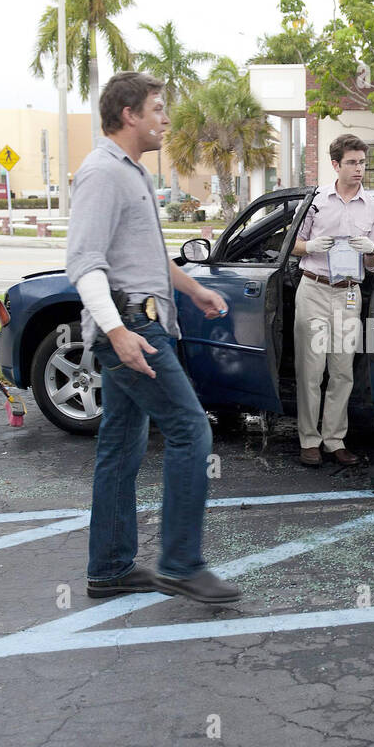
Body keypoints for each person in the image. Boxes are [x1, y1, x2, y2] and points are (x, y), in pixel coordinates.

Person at [67, 71, 239, 604]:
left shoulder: (133, 172)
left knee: (121, 444)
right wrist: (117, 333)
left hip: (147, 320)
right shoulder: (101, 172)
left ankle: (111, 568)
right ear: (129, 115)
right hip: (131, 329)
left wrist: (190, 290)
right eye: (157, 109)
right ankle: (181, 564)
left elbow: (145, 257)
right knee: (191, 431)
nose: (165, 119)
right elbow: (84, 262)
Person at [291, 133, 374, 467]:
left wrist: (371, 251)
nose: (359, 168)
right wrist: (311, 247)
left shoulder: (373, 207)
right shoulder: (317, 200)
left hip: (348, 292)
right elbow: (293, 244)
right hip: (314, 288)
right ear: (336, 164)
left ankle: (334, 440)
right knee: (311, 368)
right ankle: (309, 440)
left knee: (342, 370)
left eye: (362, 162)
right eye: (352, 162)